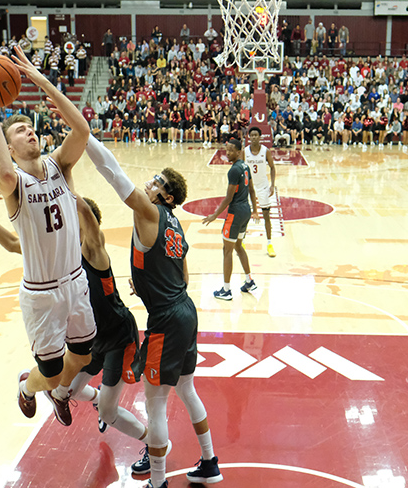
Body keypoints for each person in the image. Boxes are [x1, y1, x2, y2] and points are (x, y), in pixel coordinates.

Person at [0, 178, 153, 472]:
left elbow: (88, 221)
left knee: (110, 413)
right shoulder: (54, 254)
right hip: (88, 338)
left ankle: (153, 444)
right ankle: (87, 397)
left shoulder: (93, 252)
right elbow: (12, 243)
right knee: (64, 390)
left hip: (117, 338)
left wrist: (65, 191)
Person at [83, 134, 222, 488]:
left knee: (155, 403)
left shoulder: (149, 211)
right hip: (185, 310)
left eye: (158, 182)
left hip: (167, 319)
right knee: (187, 389)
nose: (150, 182)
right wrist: (150, 282)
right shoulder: (175, 224)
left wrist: (82, 134)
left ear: (167, 197)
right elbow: (184, 275)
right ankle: (209, 462)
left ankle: (157, 482)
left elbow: (112, 172)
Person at [0, 44, 96, 427]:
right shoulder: (15, 183)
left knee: (86, 353)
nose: (30, 132)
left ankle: (58, 393)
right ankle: (29, 387)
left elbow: (83, 130)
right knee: (54, 369)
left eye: (31, 128)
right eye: (20, 131)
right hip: (41, 293)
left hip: (75, 281)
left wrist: (38, 78)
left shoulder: (59, 165)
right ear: (9, 147)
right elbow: (4, 174)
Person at [203, 137, 259, 300]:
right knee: (239, 247)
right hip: (246, 211)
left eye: (231, 150)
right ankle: (249, 281)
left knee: (227, 250)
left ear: (239, 151)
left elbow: (228, 198)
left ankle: (226, 290)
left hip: (235, 213)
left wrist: (214, 215)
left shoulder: (234, 170)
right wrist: (254, 210)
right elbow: (252, 190)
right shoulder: (245, 166)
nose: (227, 153)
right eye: (226, 150)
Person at [242, 127, 278, 258]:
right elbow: (240, 167)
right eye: (252, 135)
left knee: (266, 215)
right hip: (248, 186)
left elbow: (273, 168)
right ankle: (243, 242)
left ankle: (269, 244)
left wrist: (273, 185)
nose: (254, 137)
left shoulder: (265, 151)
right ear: (249, 137)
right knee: (245, 215)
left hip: (263, 186)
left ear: (260, 137)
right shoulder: (245, 151)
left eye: (256, 135)